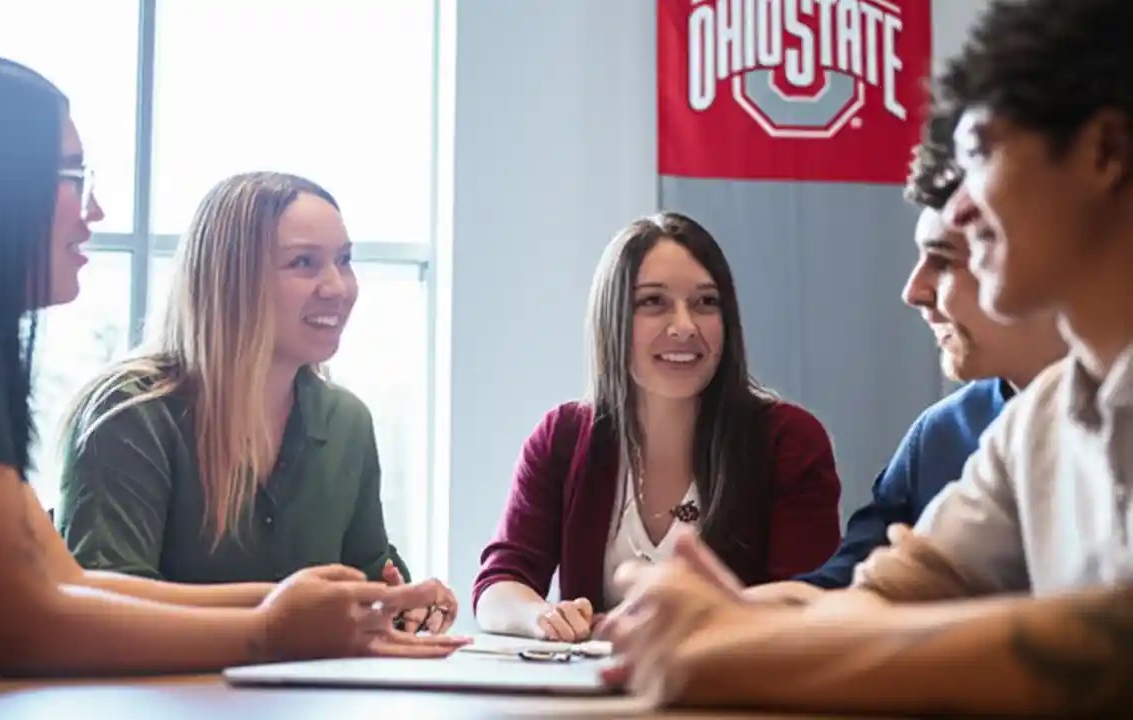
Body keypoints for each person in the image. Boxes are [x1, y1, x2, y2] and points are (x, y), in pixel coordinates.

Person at [0, 50, 462, 719]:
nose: (95, 209)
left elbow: (64, 581)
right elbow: (25, 623)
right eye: (73, 177)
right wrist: (271, 628)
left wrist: (313, 601)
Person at [598, 0, 1133, 715]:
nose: (965, 213)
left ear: (1103, 152)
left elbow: (1112, 641)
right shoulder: (1036, 422)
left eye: (981, 155)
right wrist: (720, 617)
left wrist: (739, 649)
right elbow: (887, 595)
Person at [56, 171, 457, 634]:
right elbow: (107, 604)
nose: (338, 287)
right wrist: (287, 616)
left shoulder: (347, 422)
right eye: (304, 263)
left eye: (344, 261)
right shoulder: (128, 414)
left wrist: (405, 605)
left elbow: (367, 583)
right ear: (230, 279)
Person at [473, 211, 842, 641]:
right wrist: (540, 617)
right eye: (653, 302)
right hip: (597, 698)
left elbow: (808, 602)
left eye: (706, 303)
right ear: (612, 319)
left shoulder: (790, 441)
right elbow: (499, 584)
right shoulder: (562, 436)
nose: (685, 326)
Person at [748, 106, 1066, 603]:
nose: (913, 292)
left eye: (952, 256)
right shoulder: (987, 432)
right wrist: (719, 611)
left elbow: (1089, 639)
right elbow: (870, 586)